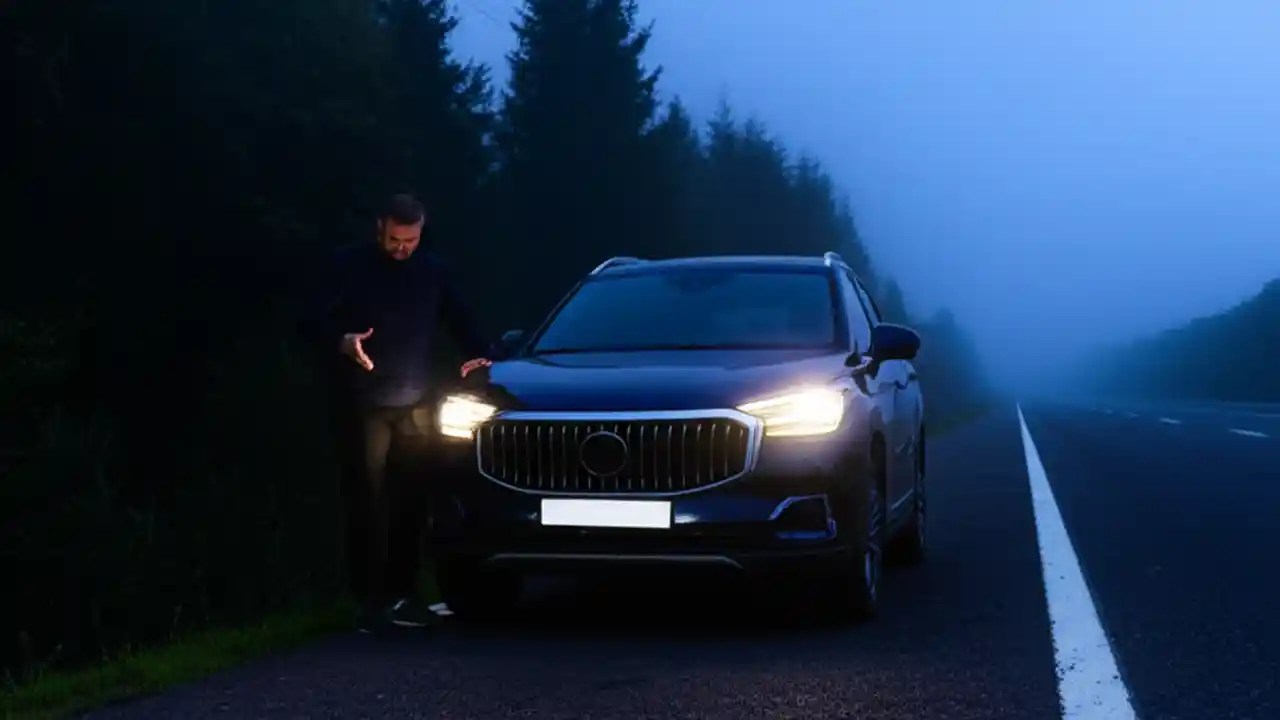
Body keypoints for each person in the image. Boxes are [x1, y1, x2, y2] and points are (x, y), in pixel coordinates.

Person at [302, 193, 492, 633]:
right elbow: (309, 319)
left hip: (415, 403)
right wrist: (342, 340)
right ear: (379, 229)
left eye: (410, 239)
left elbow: (461, 319)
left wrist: (484, 355)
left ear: (421, 231)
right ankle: (369, 602)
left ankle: (403, 595)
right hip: (363, 404)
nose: (401, 248)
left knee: (412, 501)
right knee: (366, 504)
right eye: (394, 239)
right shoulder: (348, 266)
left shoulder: (432, 271)